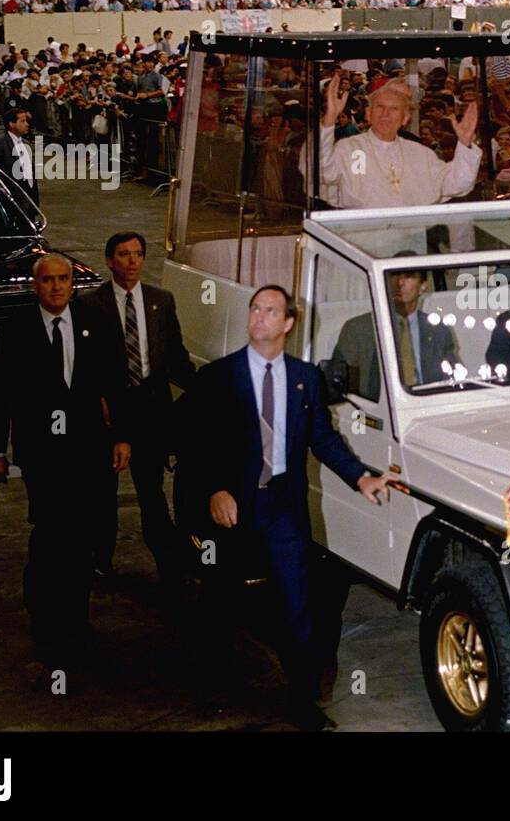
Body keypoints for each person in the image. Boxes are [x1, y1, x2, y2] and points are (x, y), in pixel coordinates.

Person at [185, 285, 393, 730]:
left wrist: (361, 477)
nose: (259, 317)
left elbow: (323, 438)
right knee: (221, 594)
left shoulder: (305, 378)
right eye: (255, 309)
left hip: (283, 505)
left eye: (270, 311)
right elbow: (198, 442)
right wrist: (216, 490)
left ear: (288, 324)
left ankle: (302, 701)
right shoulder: (221, 376)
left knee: (297, 602)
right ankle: (211, 679)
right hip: (233, 503)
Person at [0, 254, 131, 670]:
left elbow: (112, 382)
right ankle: (45, 618)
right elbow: (3, 393)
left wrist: (121, 435)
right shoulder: (16, 330)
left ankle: (77, 619)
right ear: (36, 285)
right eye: (48, 280)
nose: (56, 287)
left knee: (83, 536)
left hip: (87, 449)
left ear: (72, 283)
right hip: (42, 454)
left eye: (64, 279)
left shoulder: (94, 323)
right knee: (51, 535)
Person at [78, 232, 196, 586]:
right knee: (102, 494)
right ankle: (99, 562)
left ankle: (170, 567)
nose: (132, 261)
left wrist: (208, 389)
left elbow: (176, 357)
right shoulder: (88, 306)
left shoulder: (161, 301)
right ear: (109, 260)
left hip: (151, 410)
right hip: (108, 411)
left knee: (152, 493)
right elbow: (82, 366)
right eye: (124, 254)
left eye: (138, 254)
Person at [319, 72, 480, 208]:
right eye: (380, 107)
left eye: (394, 109)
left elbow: (457, 184)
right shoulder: (349, 148)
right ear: (368, 113)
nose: (385, 114)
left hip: (411, 239)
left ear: (405, 118)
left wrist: (465, 144)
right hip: (358, 238)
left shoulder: (420, 154)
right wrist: (329, 119)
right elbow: (326, 173)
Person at [332, 263, 458, 399]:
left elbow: (452, 379)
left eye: (409, 276)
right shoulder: (358, 329)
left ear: (423, 286)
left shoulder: (437, 329)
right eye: (395, 275)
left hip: (427, 408)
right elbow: (338, 387)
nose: (400, 282)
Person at [0, 108, 39, 205]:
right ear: (11, 124)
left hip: (28, 198)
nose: (27, 124)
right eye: (22, 121)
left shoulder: (26, 144)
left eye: (26, 121)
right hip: (10, 199)